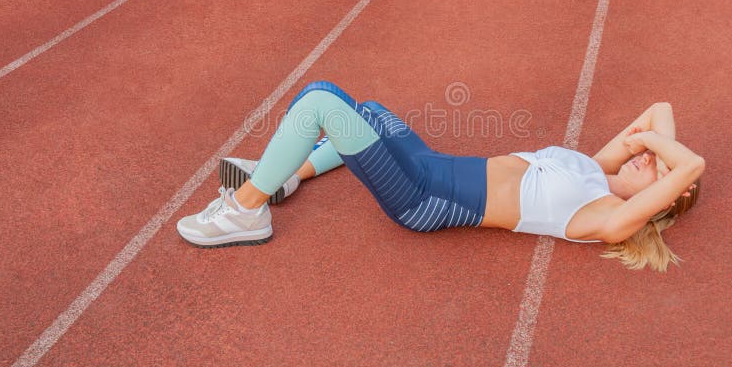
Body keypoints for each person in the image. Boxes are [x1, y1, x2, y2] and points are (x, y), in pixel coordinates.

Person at [177, 81, 704, 272]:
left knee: (321, 102)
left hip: (425, 199)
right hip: (429, 165)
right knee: (370, 110)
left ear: (660, 199)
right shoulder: (596, 170)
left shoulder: (607, 218)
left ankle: (247, 209)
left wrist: (662, 153)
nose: (644, 157)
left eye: (656, 170)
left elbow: (693, 166)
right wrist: (650, 144)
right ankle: (288, 177)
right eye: (648, 155)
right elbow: (660, 106)